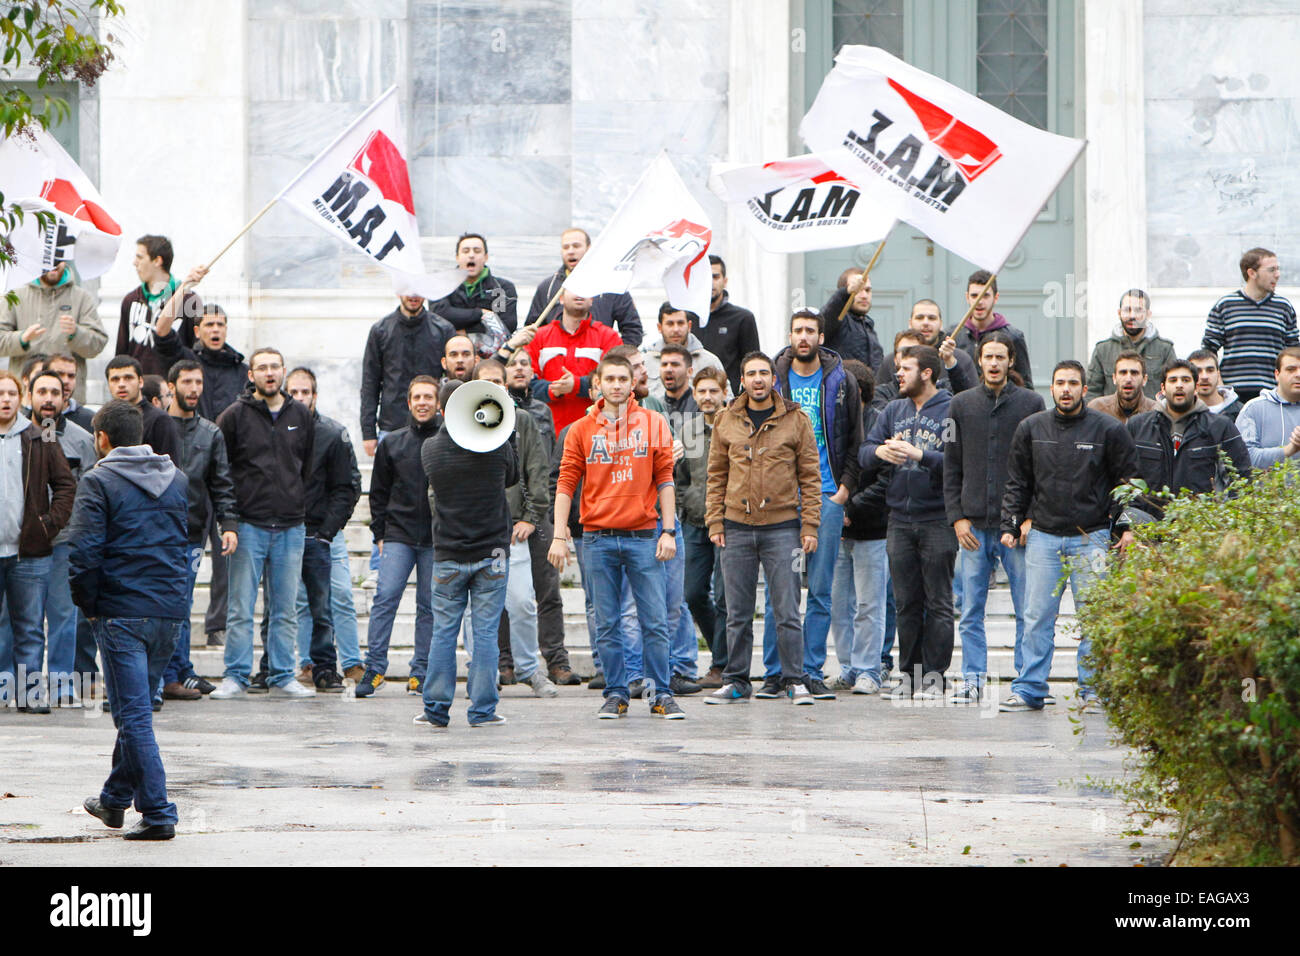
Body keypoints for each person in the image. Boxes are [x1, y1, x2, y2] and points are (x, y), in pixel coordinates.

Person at [69, 399, 188, 840]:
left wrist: (90, 604)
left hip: (121, 612)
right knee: (135, 711)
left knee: (133, 717)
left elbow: (83, 553)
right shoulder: (176, 478)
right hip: (167, 611)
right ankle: (115, 800)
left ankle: (158, 812)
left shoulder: (98, 480)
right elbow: (182, 544)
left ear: (101, 438)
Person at [999, 360, 1138, 713]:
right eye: (1060, 382)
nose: (1066, 389)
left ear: (1084, 389)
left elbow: (1129, 484)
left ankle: (1094, 691)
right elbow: (1017, 482)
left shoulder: (1108, 430)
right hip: (1043, 537)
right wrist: (1010, 525)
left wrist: (1125, 527)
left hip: (1091, 538)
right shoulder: (1031, 428)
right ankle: (1030, 688)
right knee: (1036, 617)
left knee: (1094, 617)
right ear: (1052, 388)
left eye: (1073, 383)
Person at [550, 353, 684, 719]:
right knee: (606, 622)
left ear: (632, 383)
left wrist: (668, 530)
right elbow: (565, 484)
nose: (617, 385)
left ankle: (661, 694)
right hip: (597, 538)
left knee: (654, 620)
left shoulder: (654, 422)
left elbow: (666, 480)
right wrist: (559, 535)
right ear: (598, 385)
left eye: (623, 379)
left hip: (643, 535)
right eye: (609, 379)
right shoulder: (580, 429)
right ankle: (616, 693)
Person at [704, 351, 821, 705]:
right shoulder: (725, 420)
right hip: (736, 528)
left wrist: (810, 525)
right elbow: (716, 476)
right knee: (737, 612)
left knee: (786, 609)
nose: (758, 379)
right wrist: (714, 520)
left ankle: (793, 680)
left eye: (764, 373)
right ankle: (736, 680)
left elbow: (811, 477)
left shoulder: (795, 419)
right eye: (751, 373)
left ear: (774, 379)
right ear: (742, 380)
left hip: (783, 528)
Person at [943, 333, 1044, 702]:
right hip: (972, 524)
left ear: (1011, 361)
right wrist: (956, 518)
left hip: (1014, 528)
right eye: (988, 357)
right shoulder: (960, 405)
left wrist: (1029, 517)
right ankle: (972, 680)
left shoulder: (1032, 403)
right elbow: (950, 466)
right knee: (970, 610)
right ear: (979, 360)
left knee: (1026, 608)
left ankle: (1026, 681)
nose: (995, 363)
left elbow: (1040, 468)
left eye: (1001, 357)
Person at [765, 309, 860, 699]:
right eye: (797, 330)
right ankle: (775, 672)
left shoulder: (841, 380)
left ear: (821, 336)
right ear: (789, 336)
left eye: (810, 330)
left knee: (821, 589)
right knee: (779, 589)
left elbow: (856, 438)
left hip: (826, 495)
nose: (803, 336)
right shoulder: (771, 379)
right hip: (782, 498)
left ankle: (809, 671)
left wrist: (845, 488)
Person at [210, 347, 316, 699]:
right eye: (261, 368)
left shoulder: (300, 414)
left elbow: (310, 467)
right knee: (240, 607)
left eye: (274, 367)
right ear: (251, 374)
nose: (269, 373)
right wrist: (229, 520)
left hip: (290, 525)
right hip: (248, 525)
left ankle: (282, 674)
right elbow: (220, 472)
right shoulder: (234, 416)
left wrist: (304, 510)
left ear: (283, 371)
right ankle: (236, 675)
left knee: (285, 608)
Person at [418, 378, 518, 727]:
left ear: (443, 410)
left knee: (444, 632)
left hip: (448, 552)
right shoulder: (497, 445)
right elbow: (513, 476)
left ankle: (435, 709)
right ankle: (482, 711)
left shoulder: (430, 448)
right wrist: (508, 427)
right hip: (492, 551)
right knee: (486, 634)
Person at [861, 346, 956, 700]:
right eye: (897, 369)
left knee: (939, 602)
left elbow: (957, 464)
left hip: (938, 518)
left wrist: (921, 455)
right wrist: (879, 452)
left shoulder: (951, 409)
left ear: (927, 373)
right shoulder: (893, 410)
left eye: (906, 369)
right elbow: (864, 452)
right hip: (898, 519)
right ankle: (910, 676)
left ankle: (934, 678)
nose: (897, 374)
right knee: (906, 603)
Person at [470, 359, 557, 698]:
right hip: (475, 532)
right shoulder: (464, 422)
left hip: (512, 532)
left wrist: (530, 518)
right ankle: (484, 671)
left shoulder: (523, 420)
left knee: (521, 602)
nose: (494, 387)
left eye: (498, 382)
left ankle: (528, 668)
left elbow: (538, 471)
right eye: (486, 382)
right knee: (476, 609)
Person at [354, 376, 440, 698]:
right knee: (385, 598)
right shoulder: (392, 442)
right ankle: (374, 669)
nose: (422, 403)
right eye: (417, 397)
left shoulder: (448, 440)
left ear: (437, 402)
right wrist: (380, 533)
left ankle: (421, 672)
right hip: (398, 536)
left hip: (436, 538)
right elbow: (378, 492)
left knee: (429, 606)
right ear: (408, 402)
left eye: (428, 397)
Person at [158, 360, 237, 702]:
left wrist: (228, 524)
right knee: (160, 604)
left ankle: (178, 672)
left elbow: (221, 482)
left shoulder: (211, 432)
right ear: (172, 386)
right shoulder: (156, 425)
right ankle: (165, 674)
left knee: (182, 602)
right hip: (154, 532)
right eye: (187, 382)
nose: (193, 389)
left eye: (198, 382)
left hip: (191, 532)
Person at [1, 370, 80, 711]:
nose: (5, 400)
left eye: (10, 394)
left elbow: (66, 485)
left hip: (29, 551)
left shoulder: (41, 436)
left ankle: (30, 693)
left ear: (22, 399)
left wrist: (48, 524)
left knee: (31, 626)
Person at [283, 367, 361, 692]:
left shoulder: (333, 433)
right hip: (288, 530)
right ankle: (308, 663)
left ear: (315, 395)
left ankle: (352, 662)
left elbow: (348, 486)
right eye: (295, 392)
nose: (300, 398)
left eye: (305, 392)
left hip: (325, 532)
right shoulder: (278, 432)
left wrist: (328, 531)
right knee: (301, 601)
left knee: (338, 595)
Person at [503, 348, 577, 685]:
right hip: (507, 514)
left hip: (541, 509)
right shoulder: (496, 413)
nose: (519, 369)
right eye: (512, 364)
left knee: (548, 588)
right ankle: (506, 662)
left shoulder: (542, 411)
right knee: (504, 593)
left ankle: (556, 660)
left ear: (533, 372)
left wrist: (542, 512)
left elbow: (545, 464)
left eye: (524, 364)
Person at [1127, 360, 1252, 520]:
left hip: (1200, 531)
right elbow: (1122, 478)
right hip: (1148, 528)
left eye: (1186, 380)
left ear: (1195, 387)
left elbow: (1241, 479)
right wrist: (1127, 524)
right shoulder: (1137, 426)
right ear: (1163, 388)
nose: (1179, 385)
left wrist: (1231, 523)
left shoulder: (1220, 427)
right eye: (1173, 380)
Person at [832, 359, 891, 695]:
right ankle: (847, 668)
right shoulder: (832, 424)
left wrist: (850, 507)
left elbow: (886, 479)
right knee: (839, 604)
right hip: (837, 529)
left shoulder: (881, 423)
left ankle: (869, 669)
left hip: (872, 529)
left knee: (869, 604)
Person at [676, 366, 729, 687]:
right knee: (692, 593)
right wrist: (687, 500)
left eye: (714, 391)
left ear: (724, 393)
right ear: (694, 394)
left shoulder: (735, 428)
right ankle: (718, 650)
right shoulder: (688, 430)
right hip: (694, 523)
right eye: (702, 392)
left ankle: (722, 666)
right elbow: (680, 476)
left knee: (726, 598)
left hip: (729, 524)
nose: (708, 397)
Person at [360, 293, 454, 458]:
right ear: (398, 292)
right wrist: (368, 432)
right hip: (391, 425)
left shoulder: (443, 329)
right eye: (409, 290)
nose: (413, 296)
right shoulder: (380, 330)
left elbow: (452, 380)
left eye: (418, 290)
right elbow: (370, 382)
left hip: (433, 427)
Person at [1202, 247, 1297, 405]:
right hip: (1233, 397)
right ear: (1252, 273)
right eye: (1271, 270)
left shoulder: (1284, 307)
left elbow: (1294, 351)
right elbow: (1208, 350)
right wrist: (1218, 385)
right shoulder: (1225, 305)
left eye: (1278, 269)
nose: (1277, 275)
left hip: (1273, 395)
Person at [0, 261, 108, 399]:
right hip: (26, 399)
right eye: (49, 259)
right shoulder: (15, 297)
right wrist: (21, 339)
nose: (54, 264)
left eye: (59, 258)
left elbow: (98, 344)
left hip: (68, 400)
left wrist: (76, 334)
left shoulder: (82, 298)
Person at [525, 227, 642, 344]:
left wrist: (614, 358)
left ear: (589, 249)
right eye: (566, 247)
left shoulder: (612, 284)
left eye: (576, 246)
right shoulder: (547, 288)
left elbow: (633, 330)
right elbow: (531, 331)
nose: (570, 251)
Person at [527, 288, 622, 432]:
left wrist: (577, 385)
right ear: (561, 298)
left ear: (592, 299)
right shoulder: (538, 337)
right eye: (574, 289)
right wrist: (553, 389)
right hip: (548, 431)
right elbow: (526, 385)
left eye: (584, 289)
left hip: (596, 431)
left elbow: (616, 382)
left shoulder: (609, 337)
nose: (579, 294)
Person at [116, 235, 202, 377]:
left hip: (172, 388)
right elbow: (122, 351)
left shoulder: (189, 300)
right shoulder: (130, 300)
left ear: (157, 260)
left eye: (140, 257)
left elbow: (196, 350)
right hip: (138, 390)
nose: (134, 263)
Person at [873, 302, 977, 409]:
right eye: (919, 318)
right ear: (895, 359)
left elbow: (967, 399)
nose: (926, 323)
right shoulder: (883, 392)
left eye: (931, 318)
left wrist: (950, 362)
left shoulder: (941, 388)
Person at [433, 233, 518, 355]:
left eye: (477, 251)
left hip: (491, 359)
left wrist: (464, 331)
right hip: (451, 357)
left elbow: (505, 326)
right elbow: (440, 315)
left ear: (486, 257)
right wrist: (481, 314)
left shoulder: (502, 288)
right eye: (466, 251)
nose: (471, 255)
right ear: (457, 257)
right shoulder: (442, 286)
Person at [950, 271, 1033, 389]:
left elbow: (1025, 384)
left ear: (996, 297)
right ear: (967, 297)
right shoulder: (953, 335)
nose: (979, 302)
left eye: (985, 295)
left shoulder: (1013, 336)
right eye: (974, 296)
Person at [1085, 290, 1175, 398]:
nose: (1132, 315)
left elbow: (1172, 389)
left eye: (1138, 310)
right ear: (1119, 313)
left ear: (1148, 314)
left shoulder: (1165, 349)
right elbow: (1091, 392)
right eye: (1127, 310)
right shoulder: (1102, 350)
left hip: (1152, 413)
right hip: (1112, 414)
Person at [696, 255, 760, 394]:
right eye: (705, 277)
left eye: (715, 276)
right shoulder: (687, 318)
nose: (710, 282)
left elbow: (752, 364)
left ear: (724, 281)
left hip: (730, 402)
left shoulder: (742, 318)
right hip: (693, 402)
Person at [104, 355, 181, 465]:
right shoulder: (105, 419)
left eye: (128, 378)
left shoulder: (160, 420)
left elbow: (170, 468)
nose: (121, 384)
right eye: (115, 379)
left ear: (140, 382)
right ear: (108, 384)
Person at [1235, 346, 1300, 471]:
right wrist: (1290, 449)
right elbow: (1244, 459)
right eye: (1291, 369)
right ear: (1277, 374)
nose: (1298, 374)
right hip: (1267, 490)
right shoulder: (1253, 409)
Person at [642, 302, 724, 400]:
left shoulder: (709, 361)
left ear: (689, 326)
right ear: (659, 328)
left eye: (680, 323)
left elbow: (726, 401)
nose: (676, 329)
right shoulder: (644, 362)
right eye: (670, 324)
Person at [819, 267, 884, 371]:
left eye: (867, 290)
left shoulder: (868, 326)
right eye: (858, 290)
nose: (864, 296)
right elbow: (826, 318)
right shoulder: (838, 320)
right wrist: (845, 293)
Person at [194, 305, 248, 422]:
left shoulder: (242, 371)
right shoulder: (188, 364)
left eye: (220, 325)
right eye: (209, 325)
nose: (215, 329)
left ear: (226, 330)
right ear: (197, 331)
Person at [1088, 350, 1157, 424]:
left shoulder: (1156, 412)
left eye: (1134, 373)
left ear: (1144, 379)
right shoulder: (1097, 409)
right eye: (1123, 372)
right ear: (1114, 378)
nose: (1128, 379)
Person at [43, 352, 95, 432]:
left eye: (71, 376)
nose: (66, 381)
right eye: (59, 374)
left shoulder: (90, 420)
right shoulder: (26, 417)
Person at [1187, 349, 1244, 422]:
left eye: (1210, 370)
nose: (1204, 377)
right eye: (1197, 371)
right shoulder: (1178, 413)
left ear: (1218, 374)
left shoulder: (1240, 412)